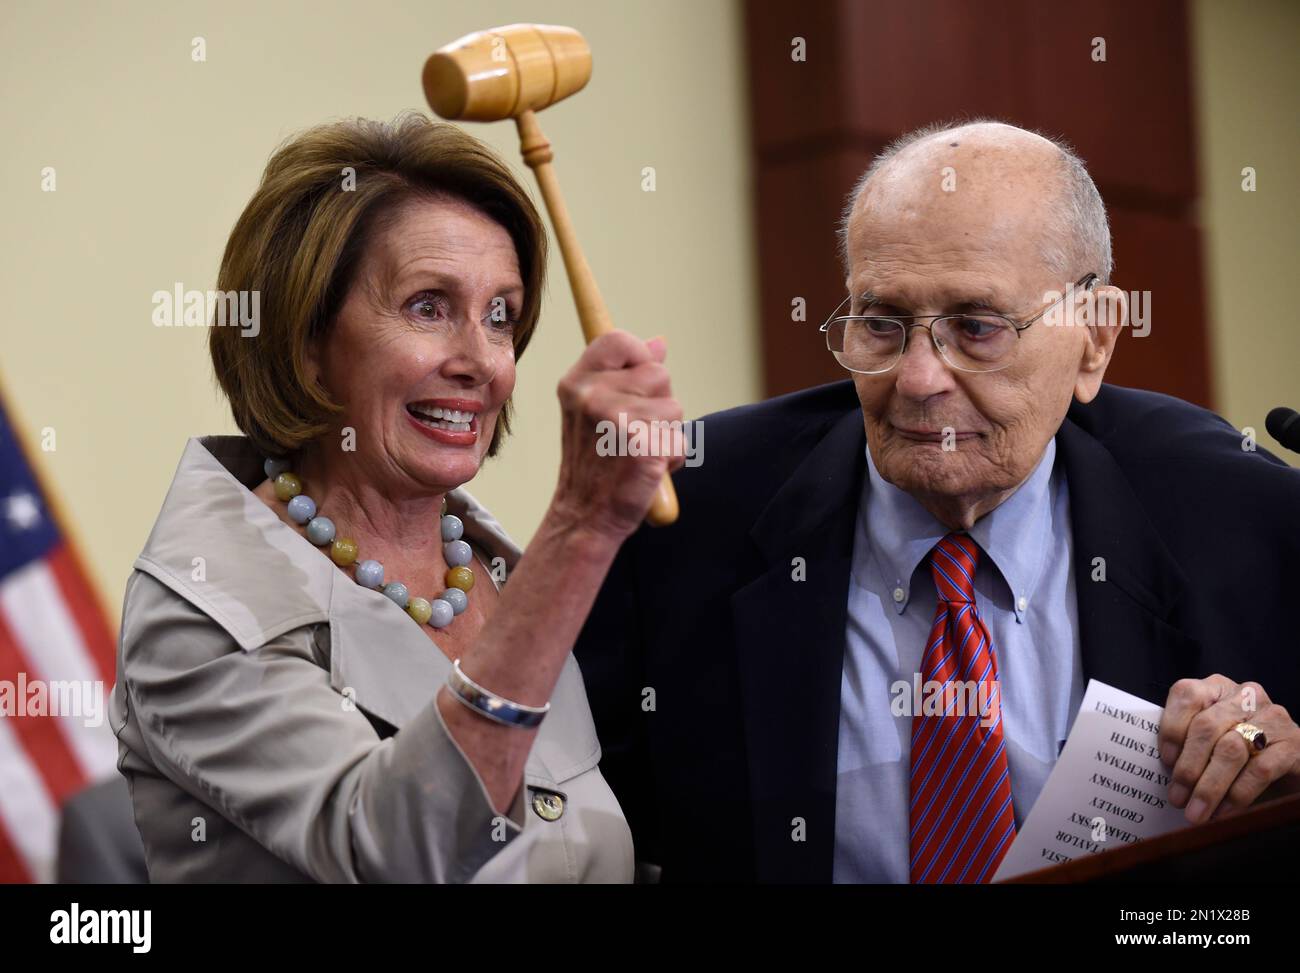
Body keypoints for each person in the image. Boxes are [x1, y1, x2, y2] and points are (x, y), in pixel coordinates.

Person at [574, 119, 1300, 883]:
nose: (919, 379)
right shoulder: (682, 516)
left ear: (1094, 338)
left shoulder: (1243, 520)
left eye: (977, 327)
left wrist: (1281, 783)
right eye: (882, 324)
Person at [110, 113, 683, 883]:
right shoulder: (204, 605)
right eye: (428, 306)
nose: (482, 361)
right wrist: (580, 528)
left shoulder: (499, 570)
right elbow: (397, 852)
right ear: (309, 347)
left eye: (501, 315)